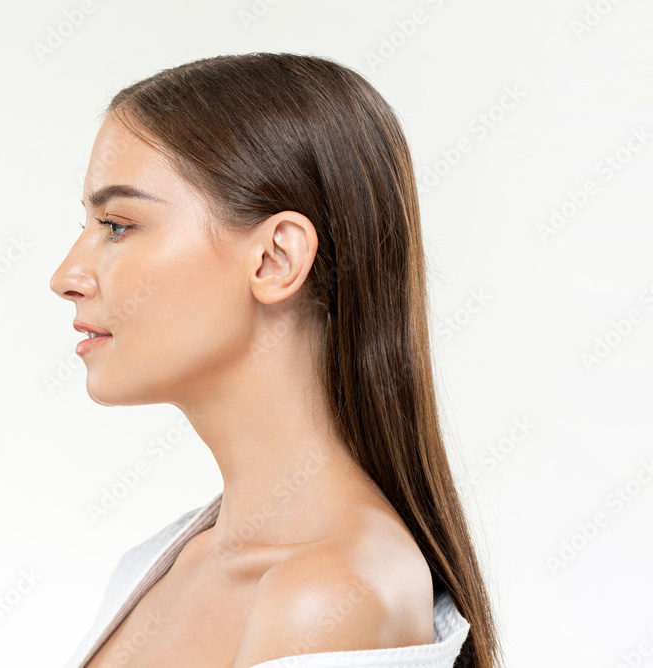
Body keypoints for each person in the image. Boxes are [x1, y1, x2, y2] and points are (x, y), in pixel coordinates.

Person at [50, 52, 500, 668]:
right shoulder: (163, 562)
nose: (67, 276)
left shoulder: (328, 597)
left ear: (275, 259)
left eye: (118, 224)